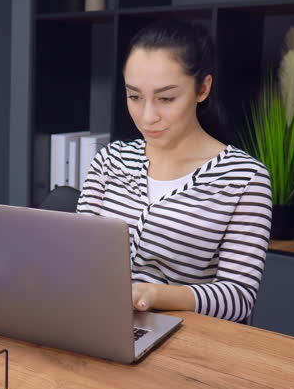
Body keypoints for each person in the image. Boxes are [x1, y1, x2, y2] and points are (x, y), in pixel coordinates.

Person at [77, 20, 273, 323]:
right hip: (98, 322)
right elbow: (76, 256)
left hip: (186, 342)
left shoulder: (244, 178)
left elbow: (239, 297)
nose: (147, 116)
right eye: (134, 96)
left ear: (203, 88)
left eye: (166, 98)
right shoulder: (110, 160)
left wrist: (154, 295)